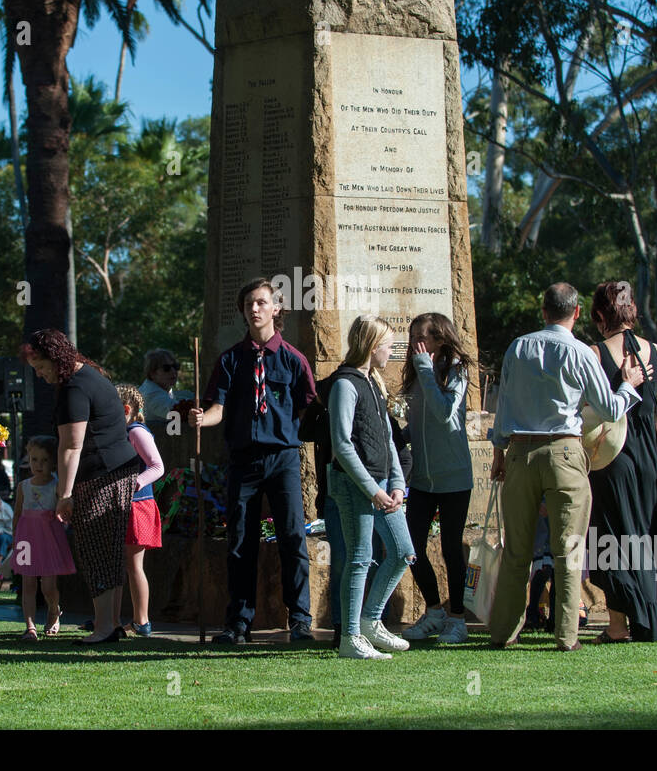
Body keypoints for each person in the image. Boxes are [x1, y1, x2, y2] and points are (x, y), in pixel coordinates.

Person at [488, 282, 646, 651]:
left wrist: (498, 452)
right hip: (564, 451)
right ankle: (566, 635)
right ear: (576, 313)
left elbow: (503, 404)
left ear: (543, 310)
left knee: (517, 551)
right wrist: (628, 385)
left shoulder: (518, 347)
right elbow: (608, 410)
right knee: (568, 548)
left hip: (520, 451)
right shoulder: (580, 352)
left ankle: (503, 633)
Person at [188, 277, 317, 644]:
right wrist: (202, 419)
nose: (254, 309)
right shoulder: (231, 359)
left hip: (284, 458)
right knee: (241, 541)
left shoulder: (294, 361)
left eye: (261, 303)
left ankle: (301, 621)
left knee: (293, 538)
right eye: (248, 305)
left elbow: (310, 410)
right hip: (243, 461)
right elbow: (218, 409)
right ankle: (238, 624)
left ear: (276, 308)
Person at [24, 328, 141, 645]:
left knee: (96, 551)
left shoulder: (74, 387)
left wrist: (64, 494)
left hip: (100, 475)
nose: (40, 375)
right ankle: (111, 623)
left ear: (55, 359)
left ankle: (103, 628)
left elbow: (71, 447)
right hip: (120, 471)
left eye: (41, 367)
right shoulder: (90, 375)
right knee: (111, 552)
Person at [585, 281, 657, 643]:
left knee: (610, 541)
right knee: (647, 539)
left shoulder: (594, 353)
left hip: (612, 458)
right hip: (651, 457)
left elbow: (585, 409)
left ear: (601, 314)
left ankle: (619, 626)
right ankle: (650, 620)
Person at [325, 315, 414, 659]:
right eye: (389, 346)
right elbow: (342, 444)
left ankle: (370, 622)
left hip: (381, 483)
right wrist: (371, 489)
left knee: (403, 551)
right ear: (373, 346)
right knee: (360, 557)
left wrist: (396, 485)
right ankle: (349, 637)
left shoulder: (373, 382)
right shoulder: (345, 384)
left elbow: (389, 439)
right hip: (353, 485)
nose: (391, 353)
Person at [399, 312, 474, 645]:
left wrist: (427, 372)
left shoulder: (456, 371)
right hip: (422, 479)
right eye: (413, 336)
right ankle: (434, 612)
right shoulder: (416, 374)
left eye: (423, 337)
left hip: (454, 476)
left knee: (450, 549)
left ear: (440, 339)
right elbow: (419, 424)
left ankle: (457, 618)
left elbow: (445, 414)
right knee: (410, 547)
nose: (416, 344)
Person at [12, 436, 76, 640]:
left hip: (49, 537)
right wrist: (15, 538)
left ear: (53, 462)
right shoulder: (23, 486)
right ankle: (30, 626)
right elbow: (17, 513)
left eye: (44, 460)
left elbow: (65, 509)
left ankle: (54, 610)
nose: (38, 465)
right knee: (28, 583)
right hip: (26, 539)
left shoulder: (57, 485)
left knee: (48, 585)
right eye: (34, 459)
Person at [117, 383, 165, 636]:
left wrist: (135, 483)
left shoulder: (136, 432)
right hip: (128, 505)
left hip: (138, 505)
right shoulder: (127, 432)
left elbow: (157, 466)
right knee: (129, 565)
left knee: (135, 565)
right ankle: (133, 619)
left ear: (126, 410)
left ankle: (142, 621)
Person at [140, 348, 194, 425]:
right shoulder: (151, 394)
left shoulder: (163, 388)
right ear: (152, 374)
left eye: (175, 366)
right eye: (166, 368)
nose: (173, 371)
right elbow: (177, 412)